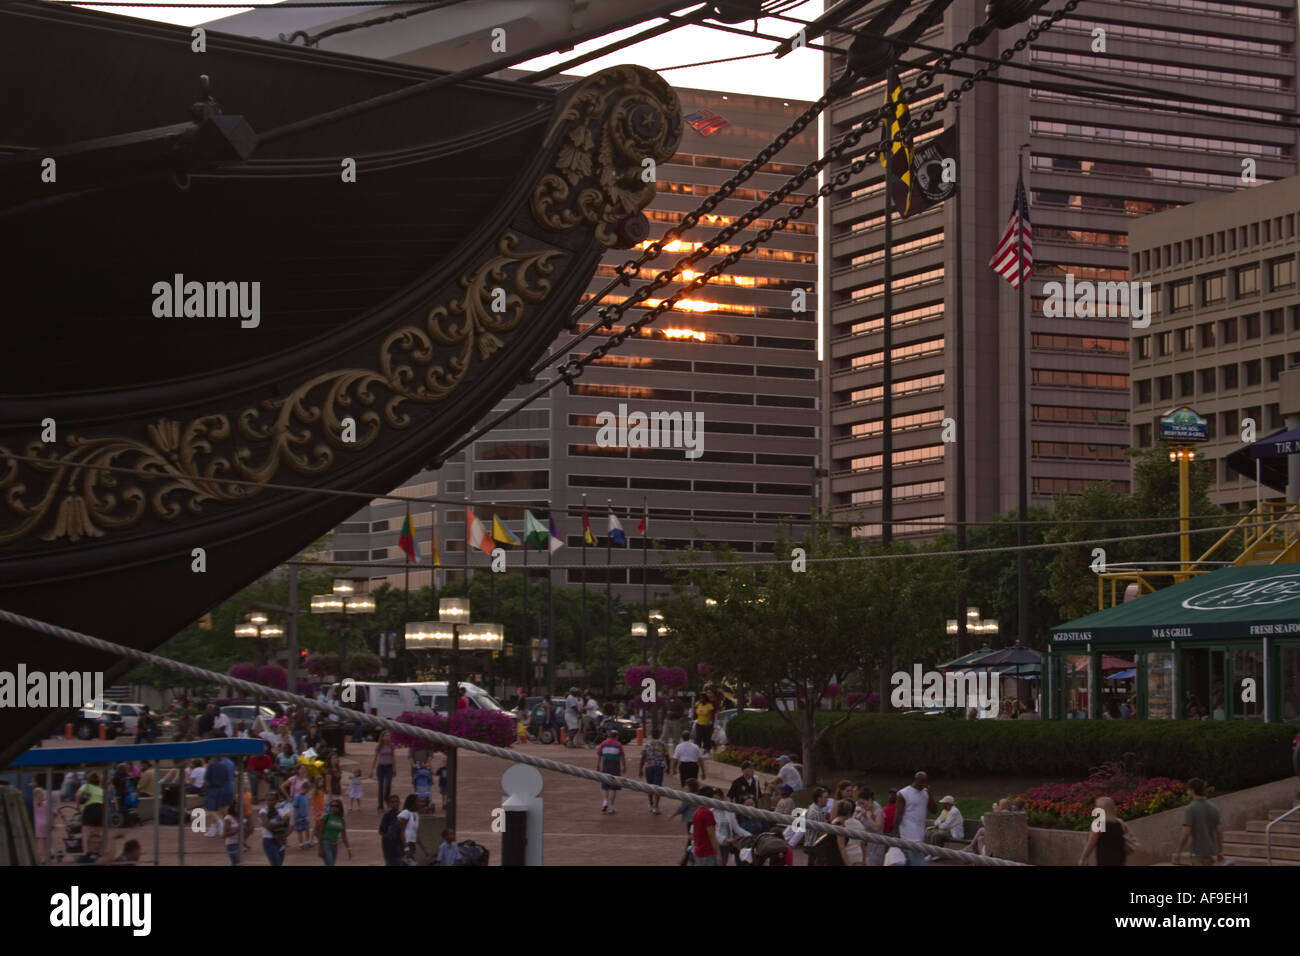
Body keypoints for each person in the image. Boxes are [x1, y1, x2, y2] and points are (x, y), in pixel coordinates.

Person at [1174, 777, 1222, 866]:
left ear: (1192, 790)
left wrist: (1178, 852)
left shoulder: (1190, 809)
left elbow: (1186, 833)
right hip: (1211, 853)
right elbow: (1219, 832)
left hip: (1198, 853)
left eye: (1187, 789)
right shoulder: (1214, 808)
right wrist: (1220, 851)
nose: (1187, 792)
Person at [896, 771, 938, 866]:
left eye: (925, 781)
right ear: (916, 780)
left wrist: (930, 794)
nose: (923, 784)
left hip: (919, 833)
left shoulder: (925, 793)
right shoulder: (903, 793)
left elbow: (934, 810)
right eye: (921, 781)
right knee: (918, 862)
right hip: (908, 834)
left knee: (908, 862)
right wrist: (895, 831)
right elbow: (898, 814)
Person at [1079, 796, 1128, 866]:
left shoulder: (1098, 824)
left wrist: (1082, 859)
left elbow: (1090, 844)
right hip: (1120, 858)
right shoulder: (1120, 822)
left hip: (1105, 859)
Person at [596, 727, 626, 814]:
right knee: (613, 788)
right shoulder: (618, 744)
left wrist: (598, 765)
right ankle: (611, 806)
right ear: (616, 736)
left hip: (605, 767)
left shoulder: (603, 744)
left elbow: (599, 755)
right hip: (615, 768)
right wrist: (624, 766)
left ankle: (605, 801)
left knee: (604, 786)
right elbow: (622, 757)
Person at [638, 733, 669, 814]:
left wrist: (640, 769)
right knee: (658, 787)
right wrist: (668, 766)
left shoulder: (647, 744)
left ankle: (651, 804)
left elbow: (643, 757)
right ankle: (656, 806)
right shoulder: (663, 744)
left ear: (651, 735)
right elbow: (667, 756)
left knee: (649, 786)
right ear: (659, 735)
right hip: (659, 766)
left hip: (649, 766)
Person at [316, 797, 351, 866]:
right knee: (330, 864)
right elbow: (320, 832)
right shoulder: (326, 817)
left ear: (340, 808)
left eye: (336, 806)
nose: (334, 808)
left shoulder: (341, 820)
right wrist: (320, 848)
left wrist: (348, 848)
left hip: (335, 845)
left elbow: (344, 836)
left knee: (331, 864)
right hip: (326, 844)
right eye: (332, 806)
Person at [691, 787, 719, 866]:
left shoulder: (697, 811)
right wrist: (718, 854)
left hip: (698, 851)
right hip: (707, 853)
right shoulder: (707, 813)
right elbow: (711, 835)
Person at [258, 791, 289, 866]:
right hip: (269, 841)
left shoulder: (280, 811)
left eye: (272, 800)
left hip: (280, 840)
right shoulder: (263, 811)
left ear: (276, 801)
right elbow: (268, 825)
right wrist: (281, 822)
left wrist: (284, 836)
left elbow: (287, 826)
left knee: (279, 863)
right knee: (276, 863)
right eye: (267, 800)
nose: (269, 802)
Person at [859, 791, 886, 866]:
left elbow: (876, 828)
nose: (861, 806)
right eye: (860, 804)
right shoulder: (865, 810)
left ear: (870, 800)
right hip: (866, 846)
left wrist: (869, 816)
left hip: (877, 846)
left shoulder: (878, 811)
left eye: (863, 803)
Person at [379, 794, 406, 866]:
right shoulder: (387, 816)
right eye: (393, 802)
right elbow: (381, 831)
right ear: (389, 804)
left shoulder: (402, 815)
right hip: (389, 848)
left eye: (397, 801)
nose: (395, 803)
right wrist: (391, 837)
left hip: (399, 847)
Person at [397, 795, 423, 865]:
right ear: (413, 803)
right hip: (406, 844)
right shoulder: (406, 813)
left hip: (412, 845)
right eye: (418, 801)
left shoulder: (416, 814)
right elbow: (402, 831)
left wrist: (423, 849)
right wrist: (406, 848)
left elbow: (415, 833)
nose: (420, 803)